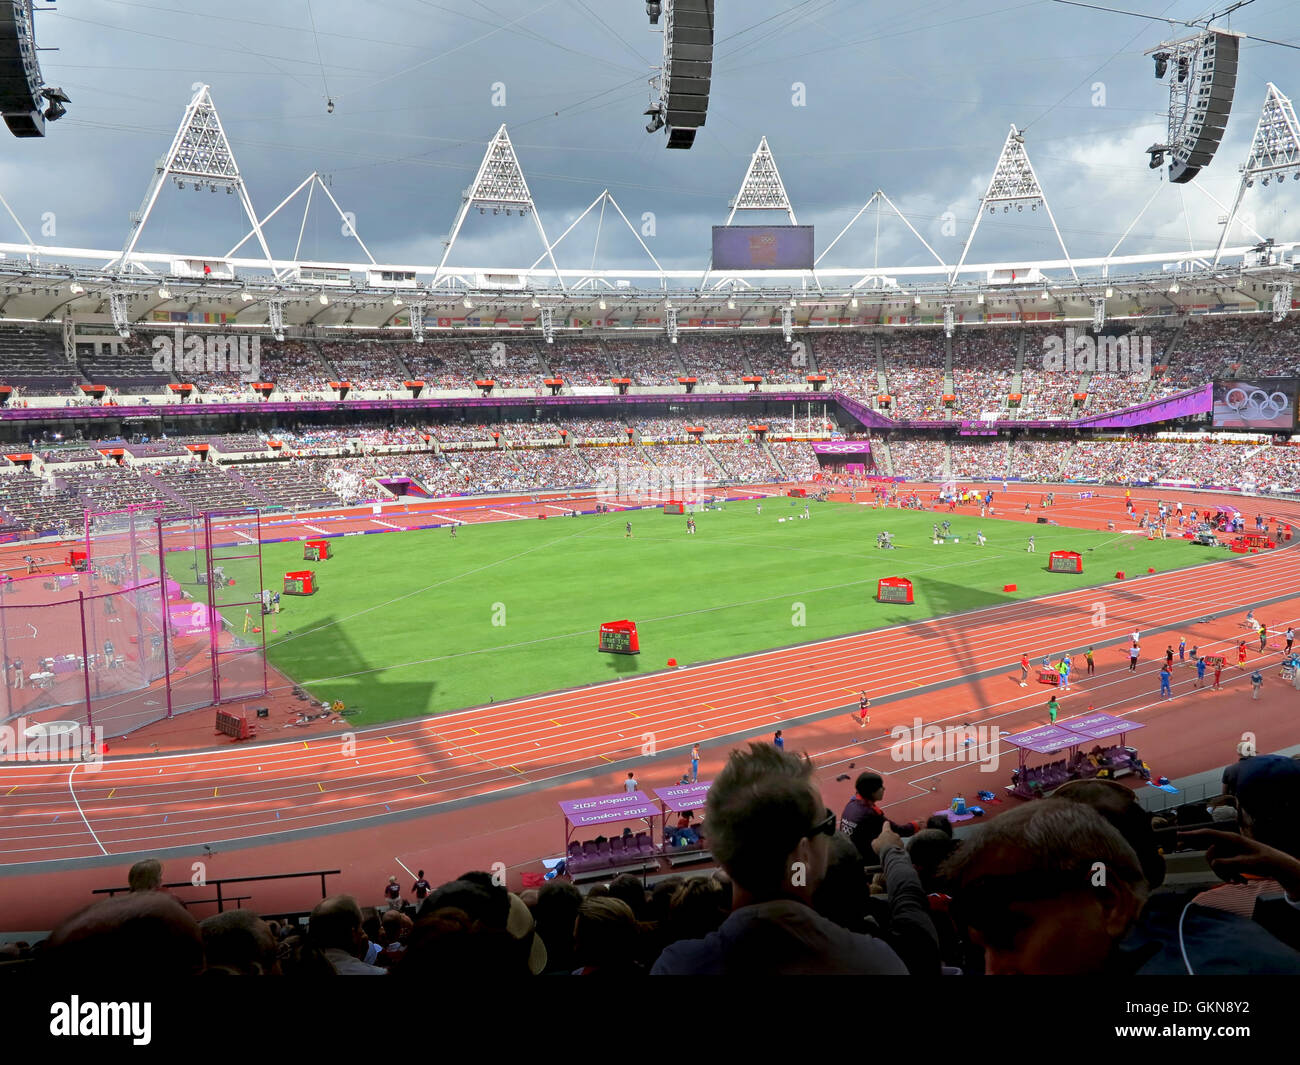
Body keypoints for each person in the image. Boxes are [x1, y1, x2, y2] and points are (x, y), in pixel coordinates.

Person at [651, 744, 909, 975]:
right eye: (827, 824)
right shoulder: (876, 962)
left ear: (719, 852)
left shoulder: (676, 965)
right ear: (803, 852)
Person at [840, 772, 886, 862]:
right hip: (863, 862)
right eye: (880, 787)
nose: (884, 788)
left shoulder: (851, 804)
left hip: (847, 853)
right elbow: (896, 829)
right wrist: (916, 826)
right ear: (872, 792)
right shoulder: (870, 814)